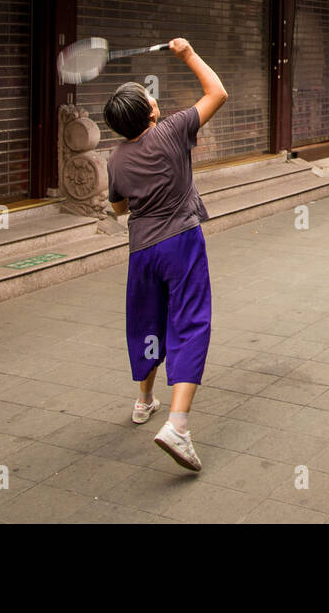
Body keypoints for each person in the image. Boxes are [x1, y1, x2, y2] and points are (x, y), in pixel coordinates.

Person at [103, 38, 226, 471]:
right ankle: (177, 426)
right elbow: (218, 93)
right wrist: (190, 54)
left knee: (147, 323)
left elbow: (119, 208)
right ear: (150, 112)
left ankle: (144, 401)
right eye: (149, 96)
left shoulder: (115, 160)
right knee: (191, 323)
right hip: (181, 243)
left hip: (142, 251)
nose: (154, 97)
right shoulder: (173, 131)